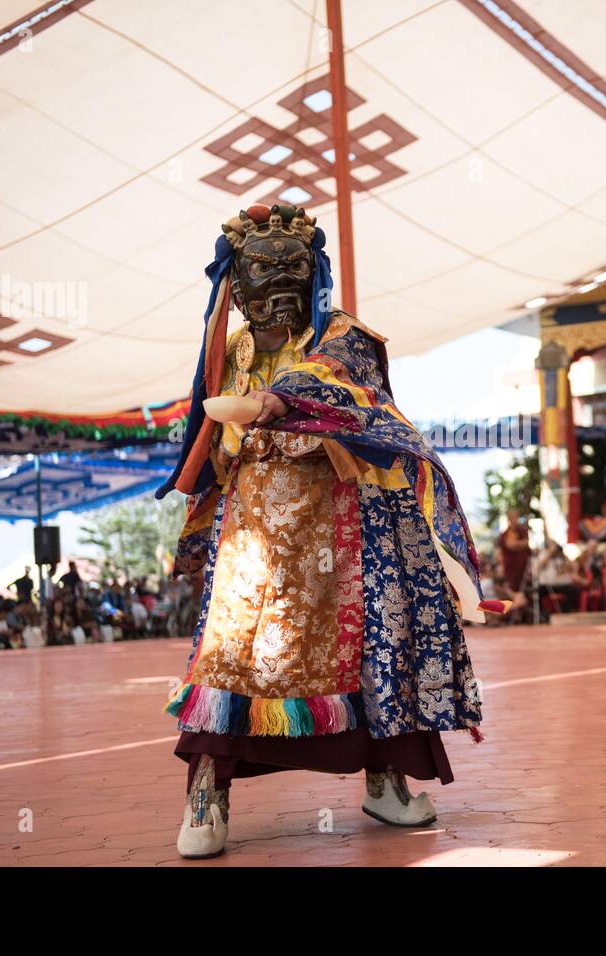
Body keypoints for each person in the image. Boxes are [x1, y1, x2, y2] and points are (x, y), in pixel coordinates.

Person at [157, 203, 494, 859]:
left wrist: (279, 402)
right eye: (261, 270)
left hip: (341, 526)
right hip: (252, 538)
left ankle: (385, 780)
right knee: (227, 657)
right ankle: (207, 791)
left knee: (373, 653)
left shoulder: (341, 336)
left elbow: (342, 379)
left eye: (292, 268)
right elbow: (208, 435)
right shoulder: (226, 349)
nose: (278, 283)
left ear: (313, 273)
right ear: (235, 280)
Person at [496, 506, 531, 594]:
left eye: (516, 517)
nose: (514, 520)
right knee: (512, 589)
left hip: (523, 567)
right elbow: (510, 545)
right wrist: (520, 544)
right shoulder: (505, 534)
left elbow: (526, 543)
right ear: (509, 518)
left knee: (525, 589)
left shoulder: (522, 531)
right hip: (511, 569)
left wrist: (516, 544)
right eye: (512, 517)